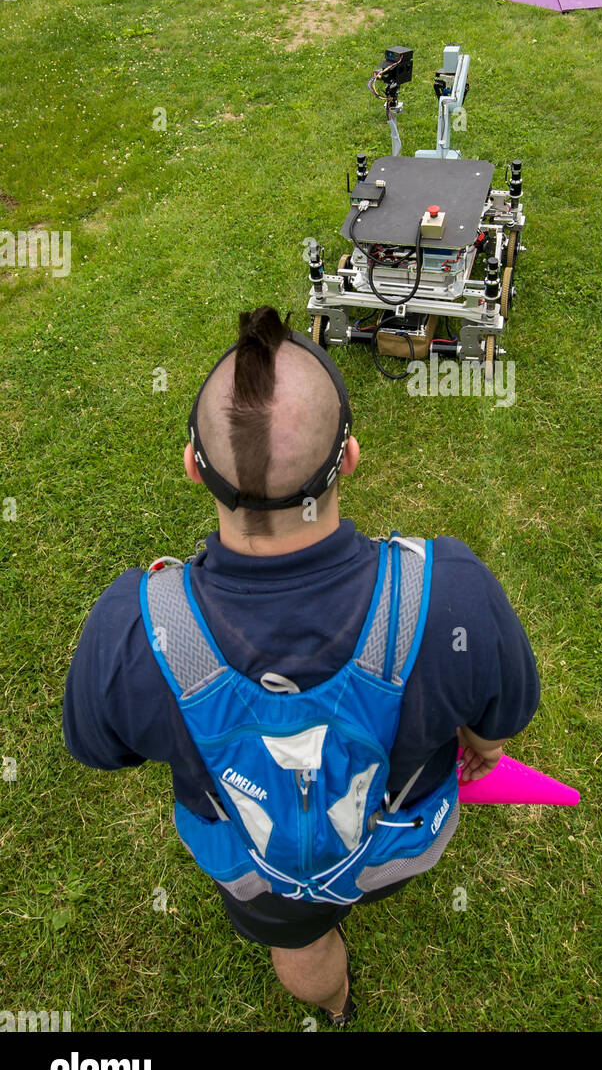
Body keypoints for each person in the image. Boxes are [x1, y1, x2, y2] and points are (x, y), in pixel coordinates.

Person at [63, 307, 540, 1028]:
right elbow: (499, 721)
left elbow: (101, 751)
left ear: (193, 464)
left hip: (260, 870)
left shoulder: (129, 631)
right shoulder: (452, 595)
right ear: (348, 457)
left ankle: (337, 1006)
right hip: (401, 848)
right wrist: (482, 747)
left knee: (301, 944)